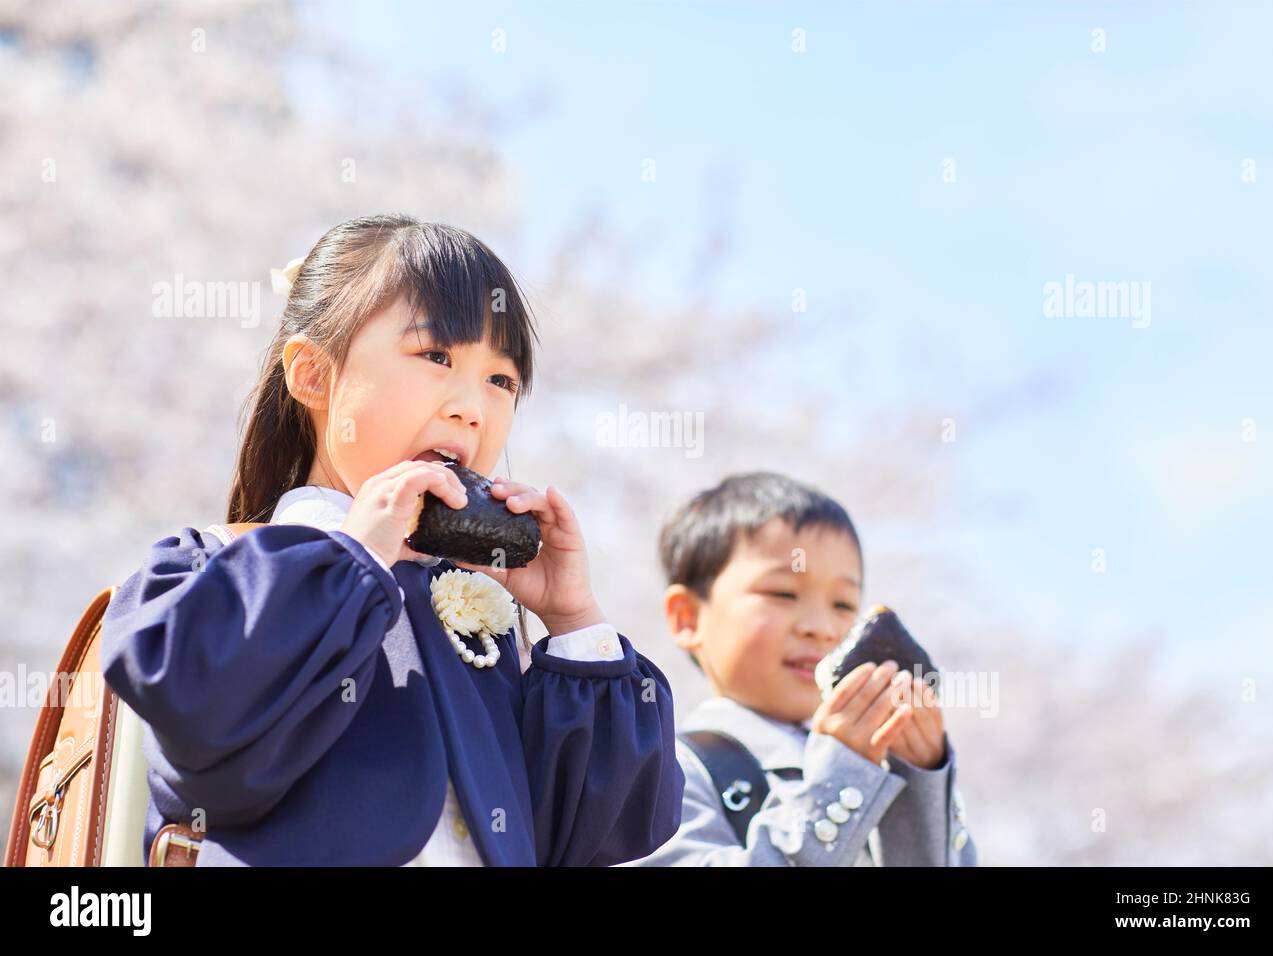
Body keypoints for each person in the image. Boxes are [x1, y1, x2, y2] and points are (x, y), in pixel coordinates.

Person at [100, 214, 684, 866]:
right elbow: (204, 736)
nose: (474, 407)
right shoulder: (213, 565)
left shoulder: (489, 624)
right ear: (313, 375)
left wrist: (571, 620)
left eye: (503, 381)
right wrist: (355, 559)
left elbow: (597, 836)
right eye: (436, 356)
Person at [620, 472, 976, 866]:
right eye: (782, 593)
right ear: (687, 617)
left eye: (843, 605)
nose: (820, 628)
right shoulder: (665, 774)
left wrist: (919, 783)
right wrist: (837, 782)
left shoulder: (879, 767)